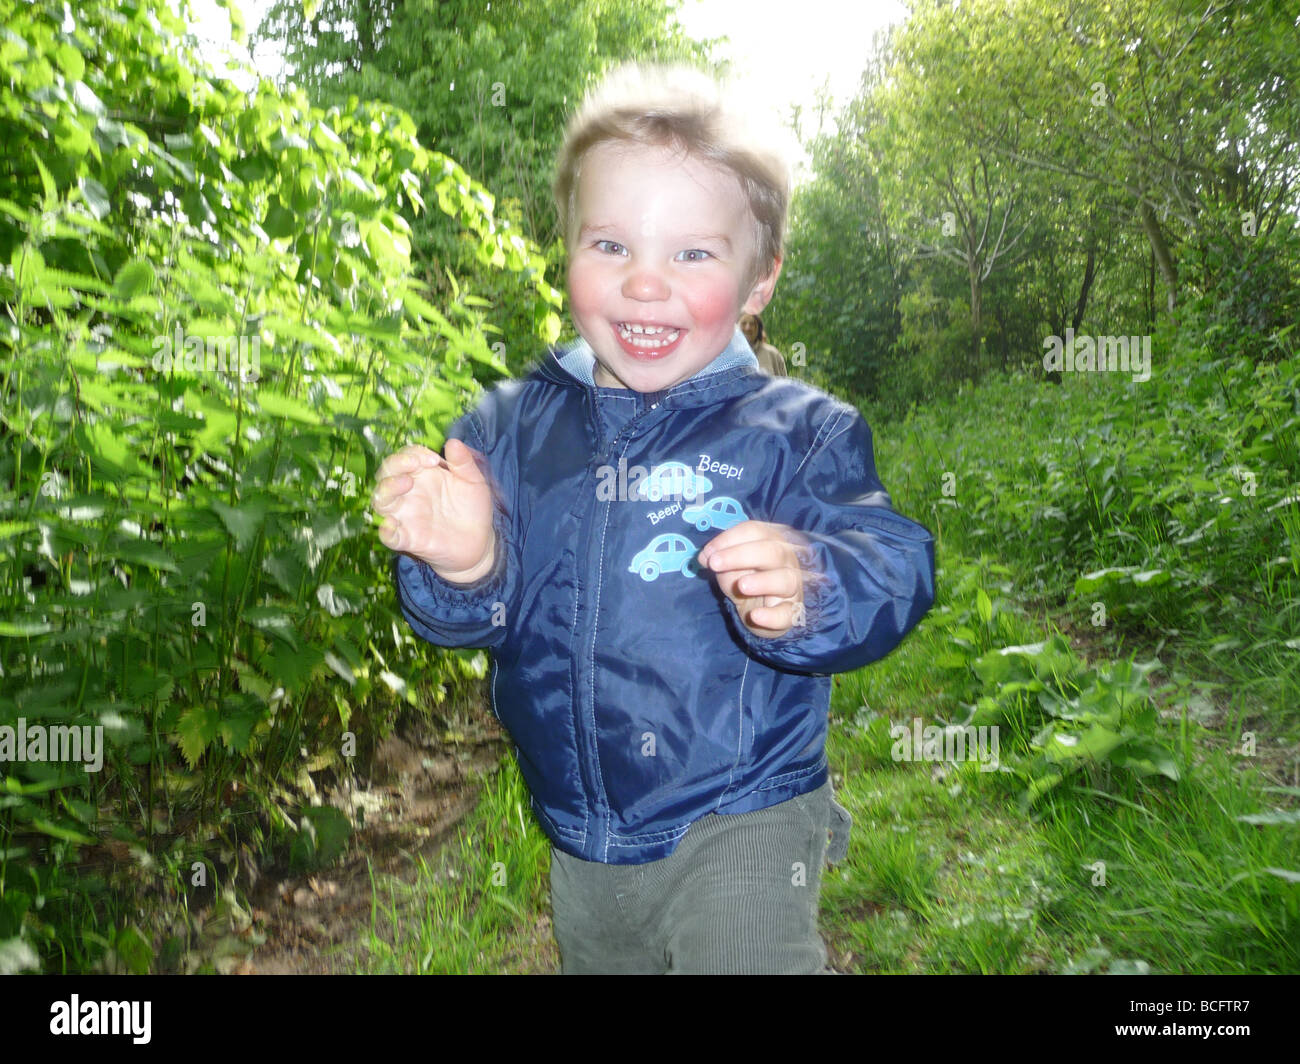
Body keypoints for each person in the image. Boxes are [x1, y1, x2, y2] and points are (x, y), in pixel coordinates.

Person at [372, 64, 935, 974]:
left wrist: (816, 582)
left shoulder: (798, 432)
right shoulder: (508, 430)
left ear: (759, 280)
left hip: (746, 806)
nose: (644, 284)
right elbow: (471, 618)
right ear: (567, 247)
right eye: (610, 245)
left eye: (692, 255)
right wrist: (465, 563)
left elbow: (896, 557)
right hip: (580, 831)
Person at [740, 311, 788, 376]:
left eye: (752, 324)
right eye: (743, 323)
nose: (748, 328)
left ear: (758, 328)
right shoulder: (728, 356)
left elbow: (783, 380)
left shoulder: (773, 354)